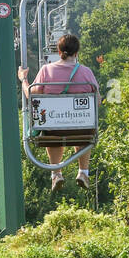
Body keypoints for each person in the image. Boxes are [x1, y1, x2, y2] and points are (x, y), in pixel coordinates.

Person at [18, 33, 100, 191]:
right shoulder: (86, 72)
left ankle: (56, 174)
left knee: (52, 129)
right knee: (82, 126)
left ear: (59, 51)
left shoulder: (46, 71)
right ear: (77, 53)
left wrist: (23, 80)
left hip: (53, 130)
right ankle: (83, 172)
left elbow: (32, 95)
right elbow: (97, 100)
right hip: (82, 130)